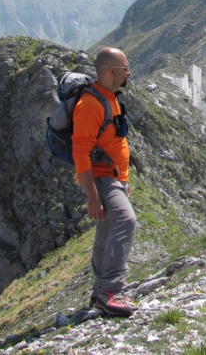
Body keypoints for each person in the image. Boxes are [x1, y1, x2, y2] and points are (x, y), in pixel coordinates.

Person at [72, 46, 137, 316]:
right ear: (112, 71)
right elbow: (80, 151)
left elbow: (113, 142)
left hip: (113, 179)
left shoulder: (109, 98)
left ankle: (100, 292)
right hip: (101, 179)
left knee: (106, 232)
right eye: (124, 68)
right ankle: (110, 290)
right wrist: (92, 196)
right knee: (125, 220)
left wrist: (123, 181)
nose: (128, 73)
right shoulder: (90, 104)